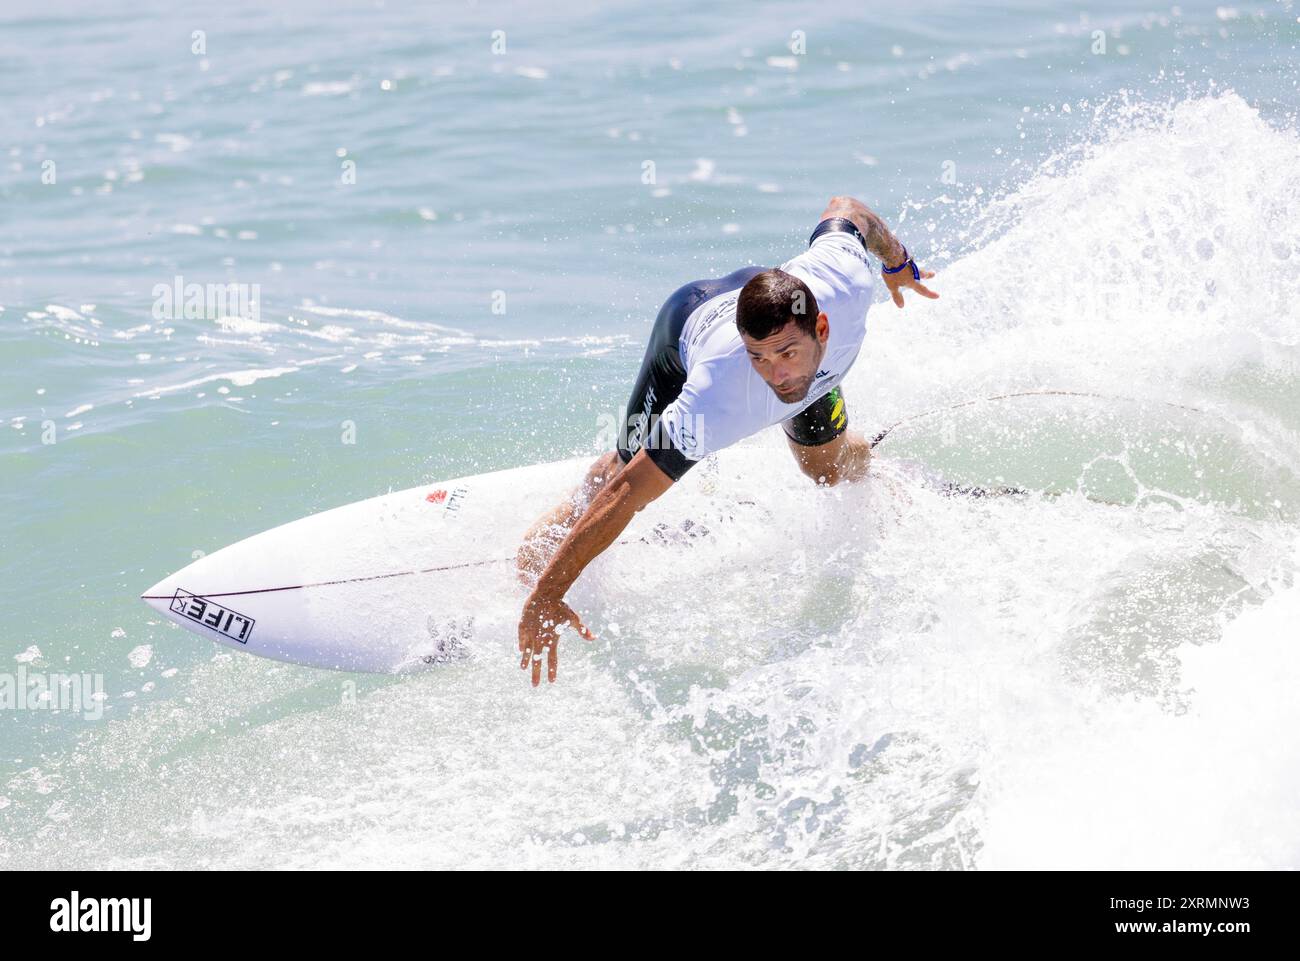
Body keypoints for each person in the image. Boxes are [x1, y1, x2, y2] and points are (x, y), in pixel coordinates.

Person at [515, 195, 938, 686]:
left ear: (822, 328)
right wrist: (548, 594)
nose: (776, 375)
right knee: (622, 469)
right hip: (687, 325)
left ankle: (880, 473)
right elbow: (628, 494)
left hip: (775, 295)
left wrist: (897, 259)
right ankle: (536, 561)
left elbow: (849, 209)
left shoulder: (845, 281)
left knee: (829, 470)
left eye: (786, 354)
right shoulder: (715, 398)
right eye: (760, 358)